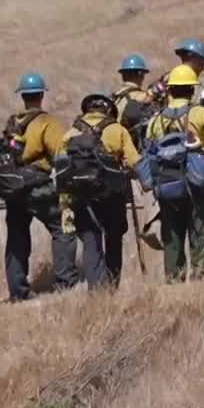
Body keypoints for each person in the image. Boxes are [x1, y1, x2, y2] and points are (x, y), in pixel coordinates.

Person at [143, 64, 204, 282]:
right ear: (191, 89)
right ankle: (203, 280)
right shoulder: (201, 114)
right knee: (201, 235)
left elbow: (149, 153)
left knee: (172, 238)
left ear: (170, 90)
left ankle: (174, 281)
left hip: (167, 188)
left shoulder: (156, 120)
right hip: (197, 187)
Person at [3, 72, 79, 301]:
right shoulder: (47, 123)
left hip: (14, 188)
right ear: (41, 95)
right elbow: (62, 154)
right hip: (40, 187)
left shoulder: (12, 123)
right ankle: (66, 283)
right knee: (62, 229)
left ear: (23, 96)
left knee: (17, 238)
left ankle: (18, 291)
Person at [56, 91, 140, 291]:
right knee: (113, 239)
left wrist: (65, 203)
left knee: (90, 242)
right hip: (112, 196)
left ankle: (96, 291)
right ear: (108, 110)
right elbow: (135, 162)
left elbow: (59, 170)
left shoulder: (70, 134)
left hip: (81, 198)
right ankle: (112, 286)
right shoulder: (117, 130)